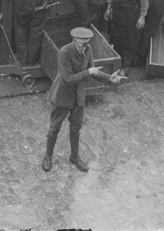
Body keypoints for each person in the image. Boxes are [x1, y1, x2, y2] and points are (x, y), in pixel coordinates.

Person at [41, 27, 125, 173]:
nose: (84, 47)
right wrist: (88, 71)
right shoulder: (64, 53)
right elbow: (68, 79)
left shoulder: (88, 49)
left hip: (79, 96)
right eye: (81, 44)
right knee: (54, 128)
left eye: (86, 44)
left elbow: (93, 71)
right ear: (74, 41)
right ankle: (48, 157)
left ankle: (74, 157)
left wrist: (109, 78)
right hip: (62, 95)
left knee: (76, 128)